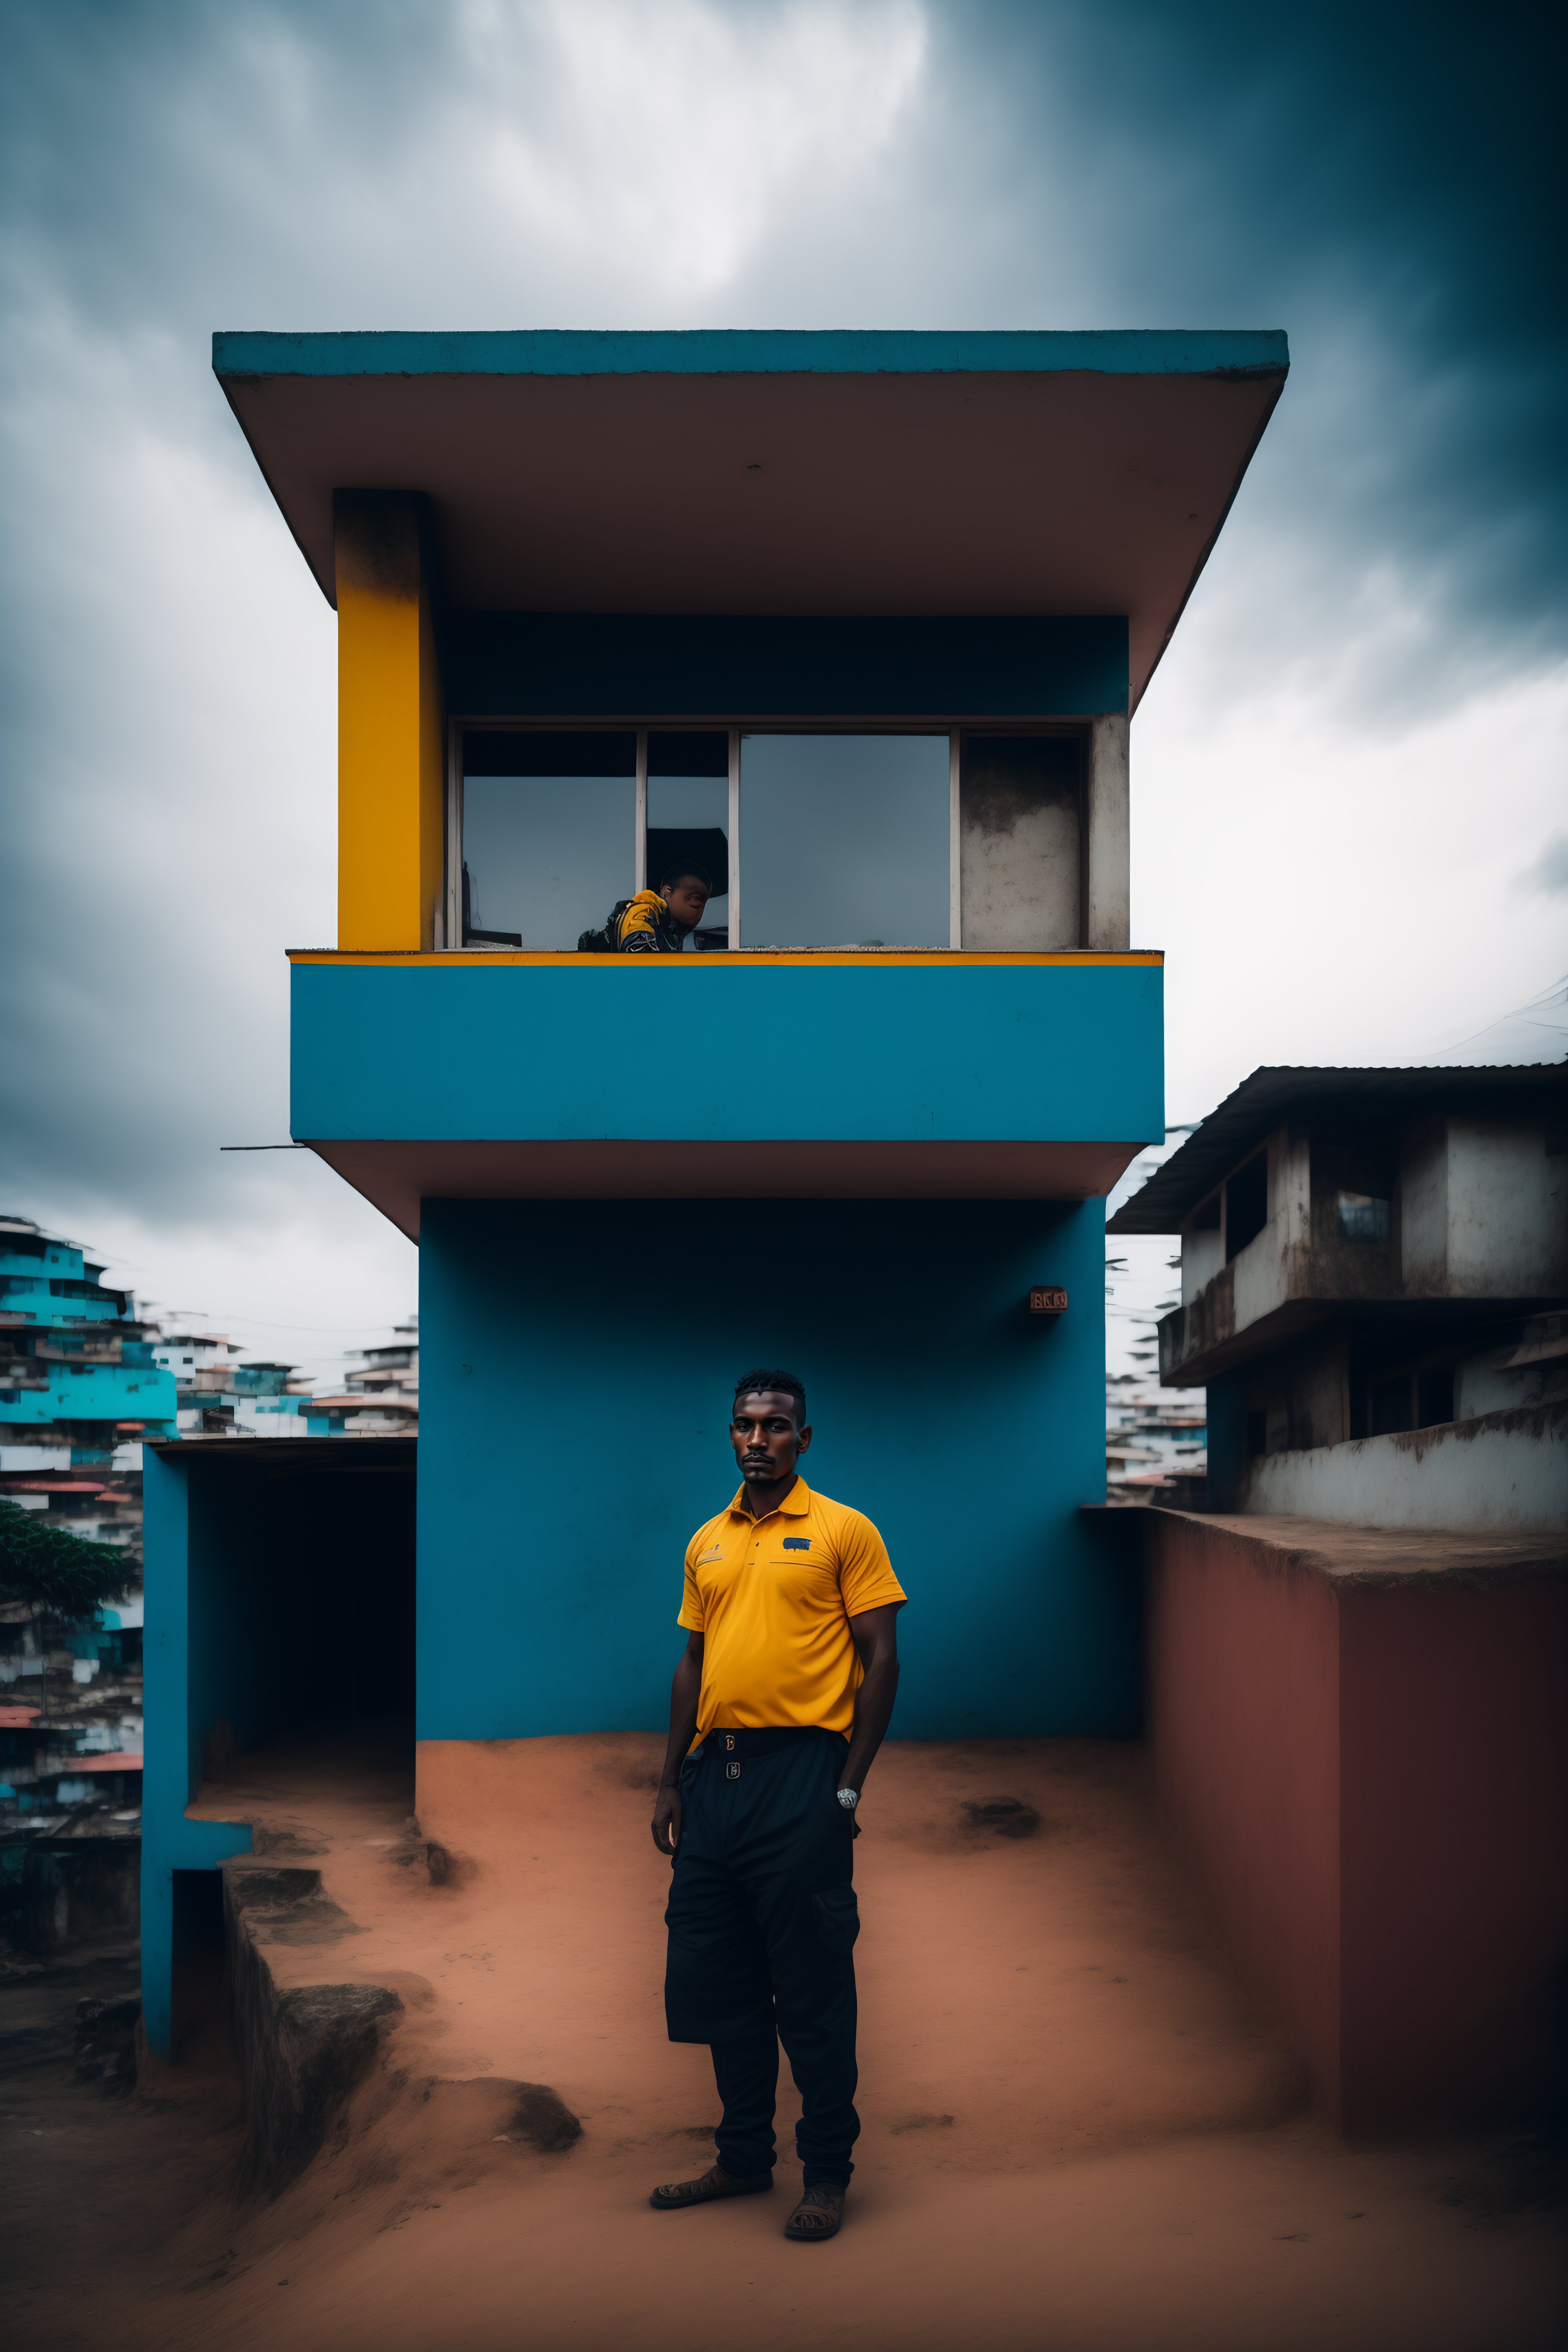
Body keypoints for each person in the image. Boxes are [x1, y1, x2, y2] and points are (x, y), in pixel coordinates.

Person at [648, 1370, 905, 2242]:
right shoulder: (706, 1541)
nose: (757, 1438)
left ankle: (826, 2172)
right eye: (744, 1425)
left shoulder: (844, 1530)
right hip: (713, 1781)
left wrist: (847, 1784)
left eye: (775, 1426)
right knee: (721, 1982)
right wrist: (667, 1775)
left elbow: (883, 1660)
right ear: (729, 1434)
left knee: (812, 1987)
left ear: (804, 1436)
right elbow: (693, 1660)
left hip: (804, 1773)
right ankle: (742, 2156)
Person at [612, 864, 712, 953]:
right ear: (668, 892)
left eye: (704, 903)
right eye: (695, 900)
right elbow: (642, 962)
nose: (700, 909)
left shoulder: (672, 932)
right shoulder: (643, 913)